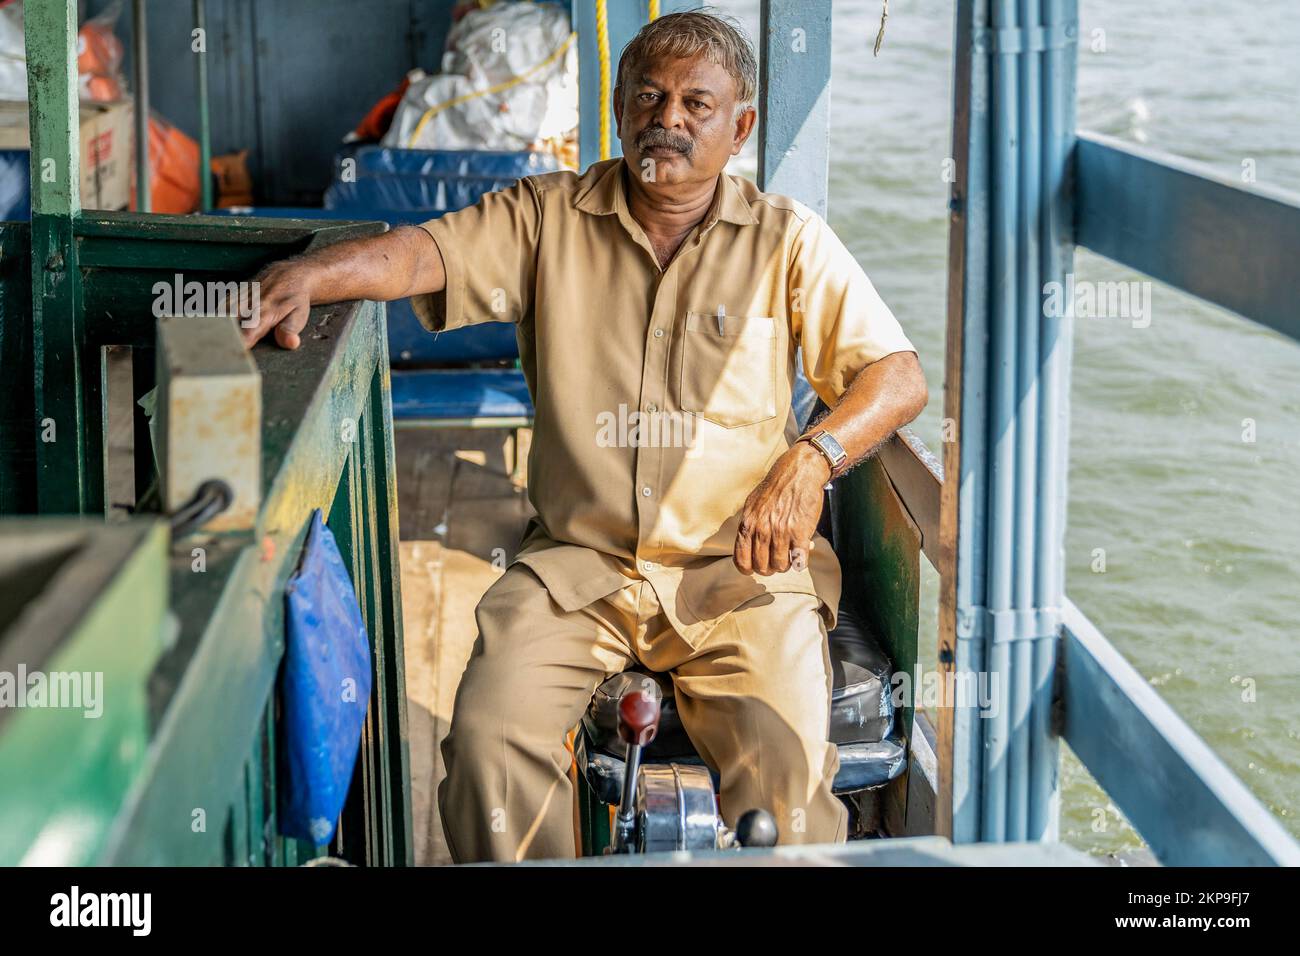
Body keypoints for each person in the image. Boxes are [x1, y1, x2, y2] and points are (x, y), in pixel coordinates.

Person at [241, 10, 928, 862]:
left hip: (740, 577)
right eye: (648, 96)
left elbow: (896, 377)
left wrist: (810, 458)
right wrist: (312, 271)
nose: (667, 118)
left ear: (740, 127)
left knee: (787, 781)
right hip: (579, 567)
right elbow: (421, 257)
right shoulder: (546, 217)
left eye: (695, 103)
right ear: (617, 109)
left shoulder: (788, 241)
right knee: (489, 744)